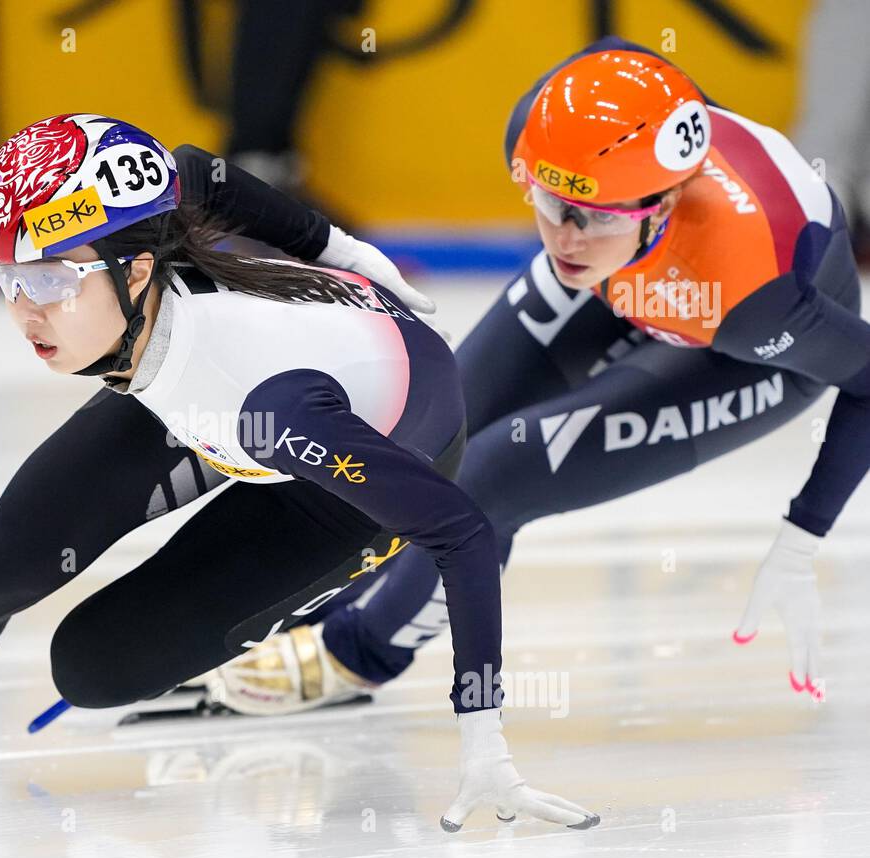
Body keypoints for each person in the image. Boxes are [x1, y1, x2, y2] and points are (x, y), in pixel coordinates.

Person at [0, 113, 598, 831]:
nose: (25, 310)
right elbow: (195, 173)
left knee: (96, 666)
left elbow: (463, 528)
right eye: (7, 277)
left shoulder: (256, 394)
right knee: (3, 560)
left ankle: (287, 634)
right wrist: (343, 247)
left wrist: (484, 737)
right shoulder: (145, 262)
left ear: (138, 270)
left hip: (344, 463)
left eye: (49, 279)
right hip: (225, 397)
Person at [207, 39, 868, 717]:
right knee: (425, 427)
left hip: (744, 350)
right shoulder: (543, 130)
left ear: (666, 202)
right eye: (550, 204)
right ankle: (284, 607)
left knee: (495, 472)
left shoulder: (757, 292)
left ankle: (358, 654)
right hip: (630, 279)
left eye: (598, 216)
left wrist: (802, 536)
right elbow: (620, 57)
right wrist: (594, 215)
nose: (568, 238)